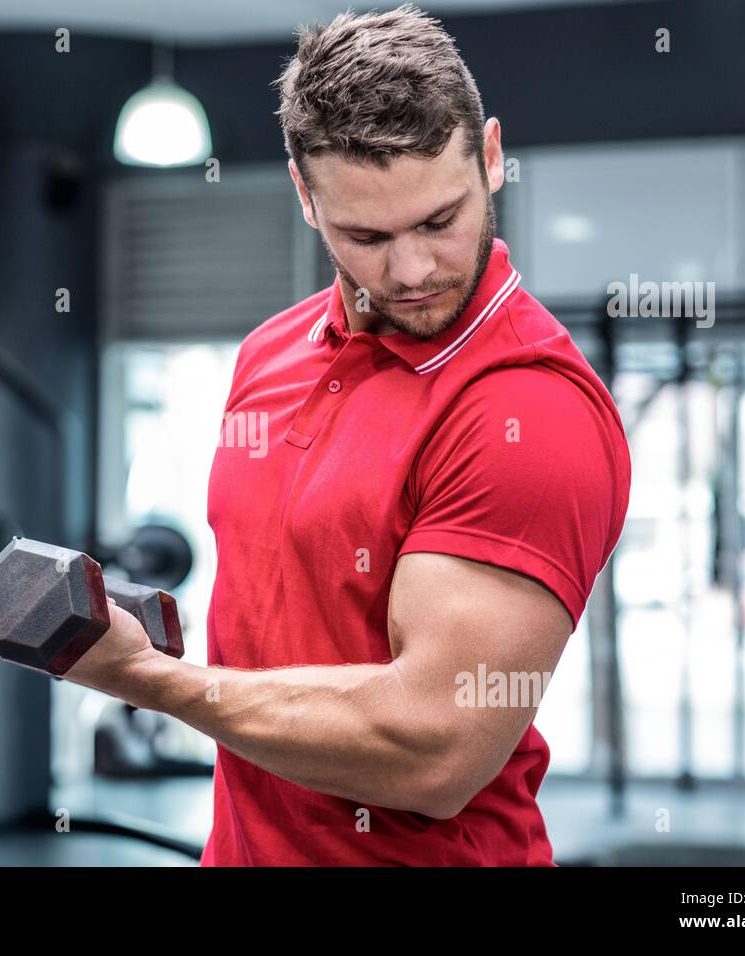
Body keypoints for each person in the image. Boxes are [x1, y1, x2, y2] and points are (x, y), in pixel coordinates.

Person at [65, 3, 631, 866]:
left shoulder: (526, 412)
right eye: (366, 235)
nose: (411, 271)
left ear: (489, 158)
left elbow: (435, 750)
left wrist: (146, 679)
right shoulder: (268, 355)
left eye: (440, 221)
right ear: (304, 195)